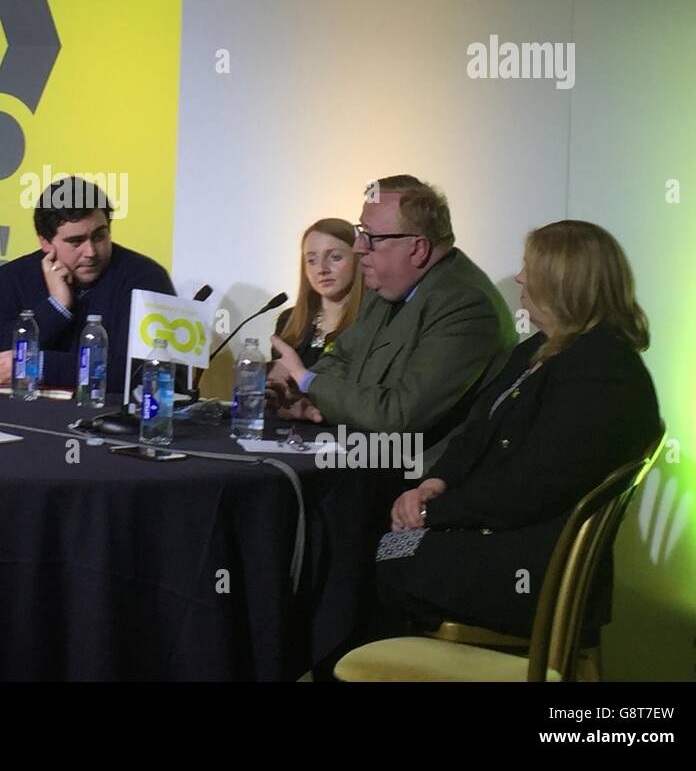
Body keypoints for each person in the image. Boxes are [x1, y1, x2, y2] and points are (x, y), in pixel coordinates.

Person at [373, 220, 660, 640]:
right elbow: (475, 432)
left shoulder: (604, 371)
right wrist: (433, 484)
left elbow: (531, 486)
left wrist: (433, 514)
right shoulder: (539, 349)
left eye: (530, 268)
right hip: (500, 537)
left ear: (565, 283)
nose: (521, 277)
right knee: (370, 543)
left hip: (537, 567)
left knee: (379, 557)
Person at [268, 175, 517, 461]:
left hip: (419, 480)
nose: (359, 246)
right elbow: (342, 361)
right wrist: (297, 394)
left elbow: (399, 414)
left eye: (371, 237)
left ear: (418, 248)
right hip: (365, 460)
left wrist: (306, 380)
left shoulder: (464, 306)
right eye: (359, 231)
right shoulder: (386, 289)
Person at [0, 176, 174, 390]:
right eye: (76, 241)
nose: (91, 252)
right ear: (45, 242)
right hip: (20, 416)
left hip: (103, 418)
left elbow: (147, 372)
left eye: (99, 237)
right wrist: (56, 307)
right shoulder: (9, 279)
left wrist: (41, 366)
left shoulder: (146, 277)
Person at [267, 219, 365, 393]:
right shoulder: (288, 321)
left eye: (335, 257)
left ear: (358, 259)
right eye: (311, 260)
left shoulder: (370, 321)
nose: (322, 268)